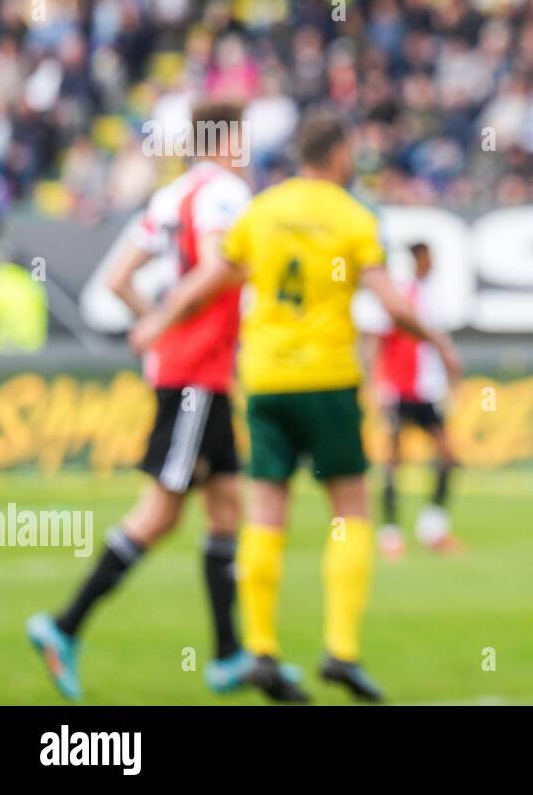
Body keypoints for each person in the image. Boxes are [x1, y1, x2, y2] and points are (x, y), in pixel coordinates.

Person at [131, 113, 460, 703]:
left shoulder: (262, 211)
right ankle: (342, 650)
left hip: (265, 379)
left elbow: (212, 280)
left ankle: (260, 648)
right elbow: (392, 303)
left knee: (265, 508)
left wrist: (158, 318)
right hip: (329, 379)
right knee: (349, 505)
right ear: (337, 155)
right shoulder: (355, 218)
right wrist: (439, 341)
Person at [27, 101, 256, 699]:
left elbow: (117, 276)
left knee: (226, 503)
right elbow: (219, 267)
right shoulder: (225, 194)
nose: (246, 149)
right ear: (224, 139)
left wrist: (154, 320)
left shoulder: (170, 197)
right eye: (242, 137)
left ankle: (229, 655)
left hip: (194, 373)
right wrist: (166, 324)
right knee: (160, 511)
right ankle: (63, 625)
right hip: (196, 373)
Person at [370, 242, 463, 559]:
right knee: (393, 461)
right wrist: (377, 385)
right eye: (427, 258)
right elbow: (379, 343)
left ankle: (432, 528)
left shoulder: (433, 298)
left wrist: (450, 384)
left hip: (428, 392)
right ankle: (391, 534)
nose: (430, 264)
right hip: (399, 390)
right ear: (416, 260)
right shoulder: (399, 297)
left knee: (448, 457)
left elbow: (442, 350)